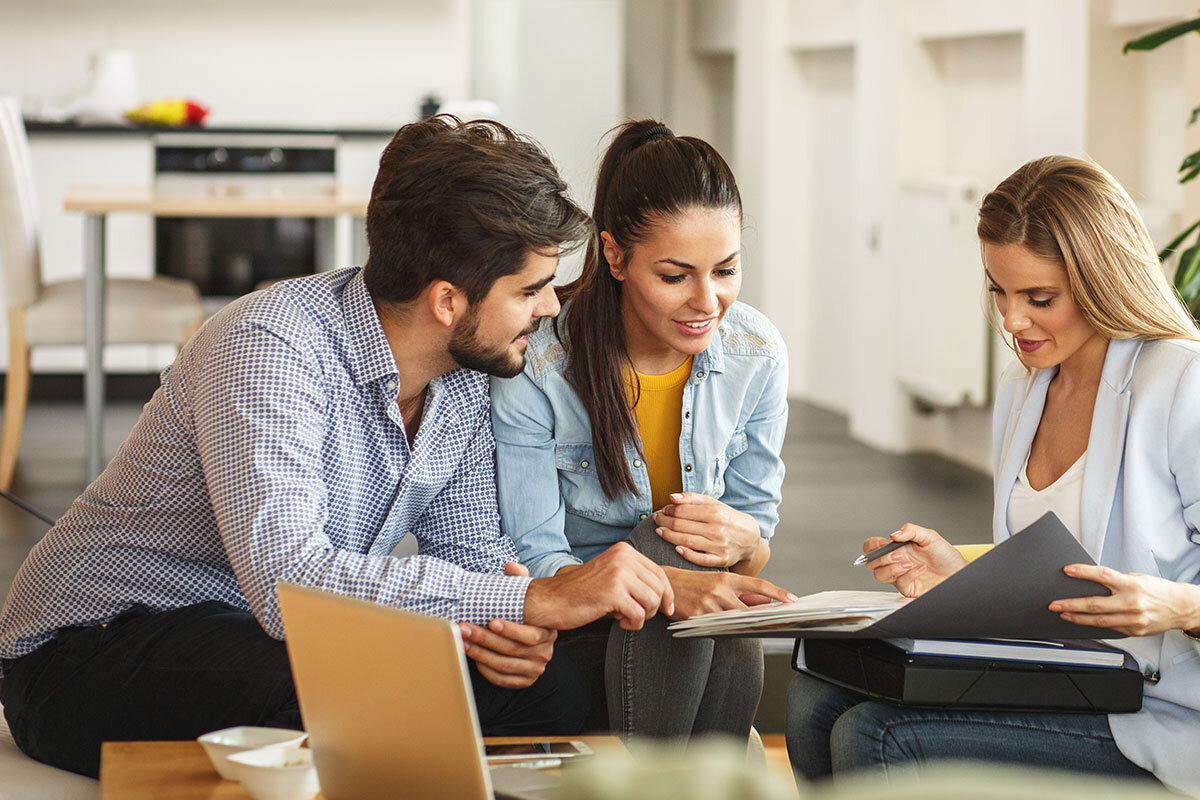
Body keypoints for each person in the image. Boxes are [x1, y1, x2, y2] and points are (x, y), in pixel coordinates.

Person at [0, 116, 676, 778]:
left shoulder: (467, 376)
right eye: (530, 290)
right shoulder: (269, 346)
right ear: (447, 301)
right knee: (354, 692)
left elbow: (473, 558)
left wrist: (508, 632)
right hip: (88, 649)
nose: (553, 308)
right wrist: (532, 603)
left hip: (261, 634)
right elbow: (286, 583)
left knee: (549, 689)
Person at [785, 155, 1200, 793]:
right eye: (998, 291)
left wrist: (1176, 606)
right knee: (817, 698)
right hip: (1064, 681)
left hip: (1161, 712)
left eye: (1040, 299)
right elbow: (1053, 576)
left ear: (1102, 280)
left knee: (876, 734)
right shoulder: (1025, 388)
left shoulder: (1181, 384)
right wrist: (965, 578)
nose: (1011, 321)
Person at [490, 120, 795, 742]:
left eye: (727, 270)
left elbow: (754, 545)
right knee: (660, 545)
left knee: (715, 594)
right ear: (615, 256)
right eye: (676, 276)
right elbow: (536, 558)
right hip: (584, 622)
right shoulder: (541, 364)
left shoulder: (756, 353)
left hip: (695, 630)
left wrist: (741, 540)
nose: (708, 301)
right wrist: (668, 584)